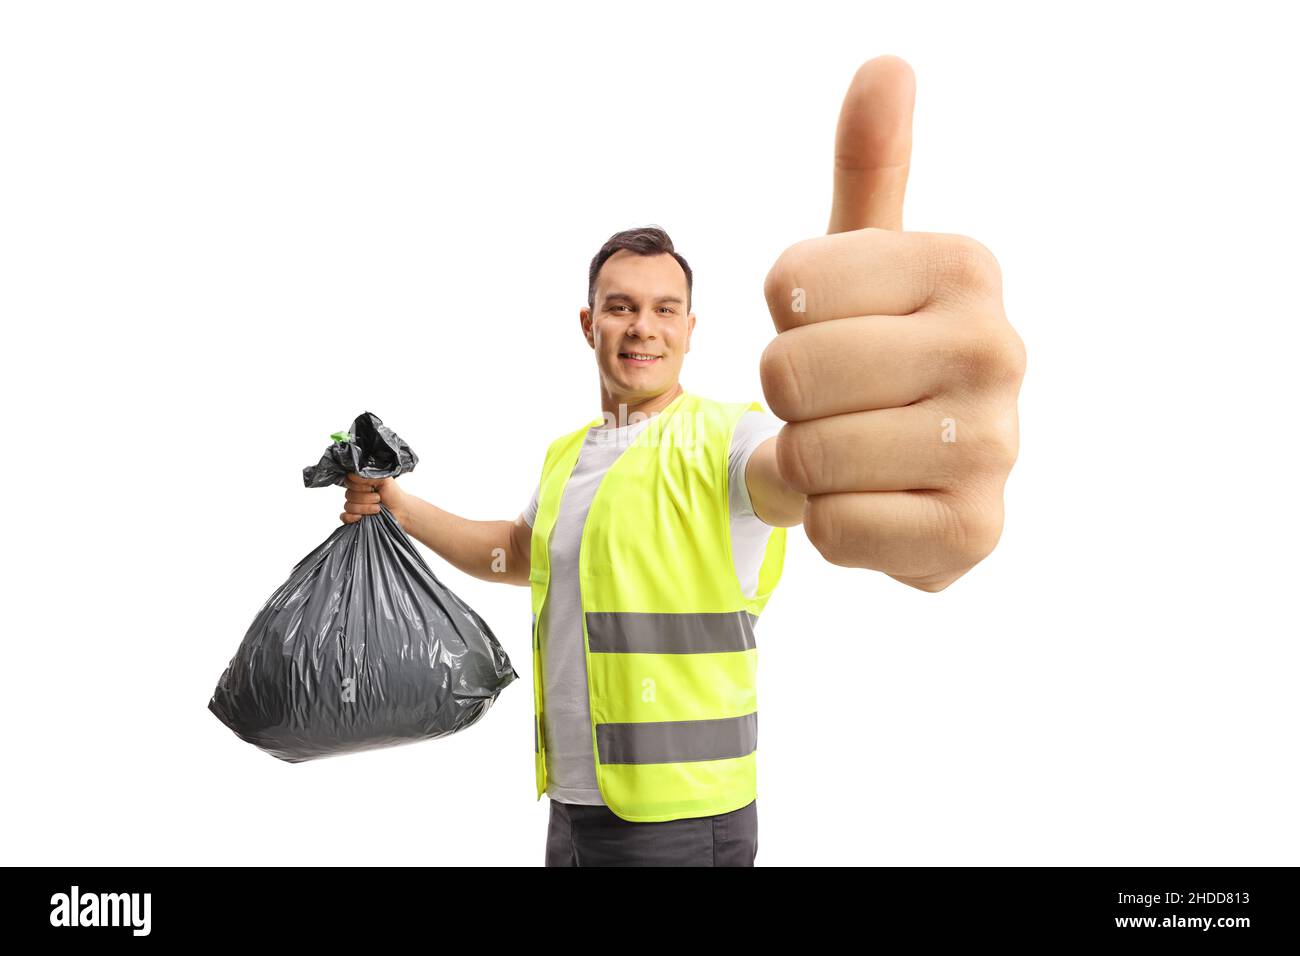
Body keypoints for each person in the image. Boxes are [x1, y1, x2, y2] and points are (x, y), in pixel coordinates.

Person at [339, 55, 1026, 866]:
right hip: (571, 808)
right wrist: (396, 505)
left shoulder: (729, 441)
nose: (643, 328)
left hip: (685, 825)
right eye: (621, 308)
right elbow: (518, 554)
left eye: (665, 309)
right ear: (587, 324)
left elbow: (784, 475)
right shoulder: (568, 458)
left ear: (692, 330)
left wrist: (853, 444)